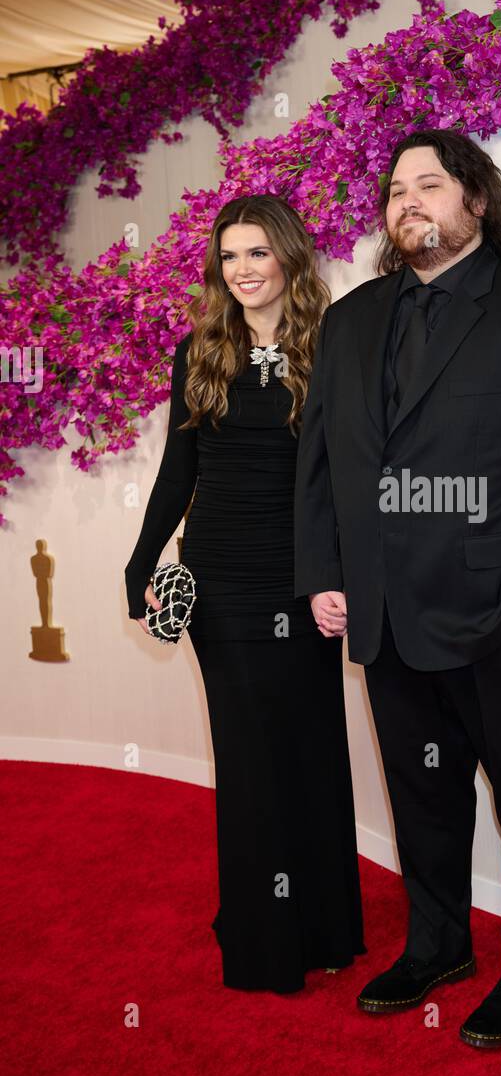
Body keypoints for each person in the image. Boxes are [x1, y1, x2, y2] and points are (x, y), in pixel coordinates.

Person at [294, 129, 501, 1047]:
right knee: (421, 795)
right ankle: (436, 944)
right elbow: (320, 465)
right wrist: (322, 575)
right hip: (384, 613)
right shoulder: (348, 320)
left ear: (476, 198)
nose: (409, 203)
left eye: (429, 185)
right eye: (395, 191)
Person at [124, 194, 366, 993]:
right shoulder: (200, 350)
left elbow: (348, 475)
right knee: (250, 758)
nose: (242, 271)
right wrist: (143, 557)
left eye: (257, 253)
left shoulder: (331, 346)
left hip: (301, 581)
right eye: (229, 257)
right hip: (219, 582)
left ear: (289, 258)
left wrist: (344, 571)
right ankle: (265, 937)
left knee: (309, 743)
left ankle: (325, 923)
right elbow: (178, 469)